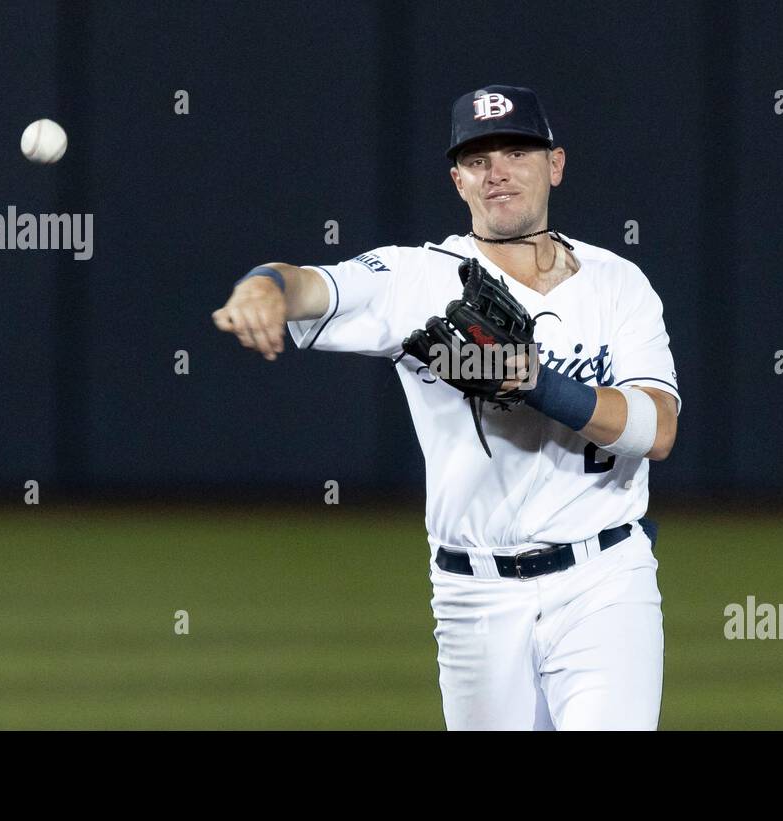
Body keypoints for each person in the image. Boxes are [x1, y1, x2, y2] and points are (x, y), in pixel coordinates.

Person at [212, 85, 680, 730]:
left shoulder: (619, 283)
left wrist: (540, 386)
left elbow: (656, 430)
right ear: (458, 180)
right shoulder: (417, 279)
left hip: (605, 579)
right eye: (479, 160)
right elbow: (311, 284)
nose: (499, 173)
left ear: (556, 164)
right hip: (475, 593)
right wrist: (265, 286)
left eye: (517, 152)